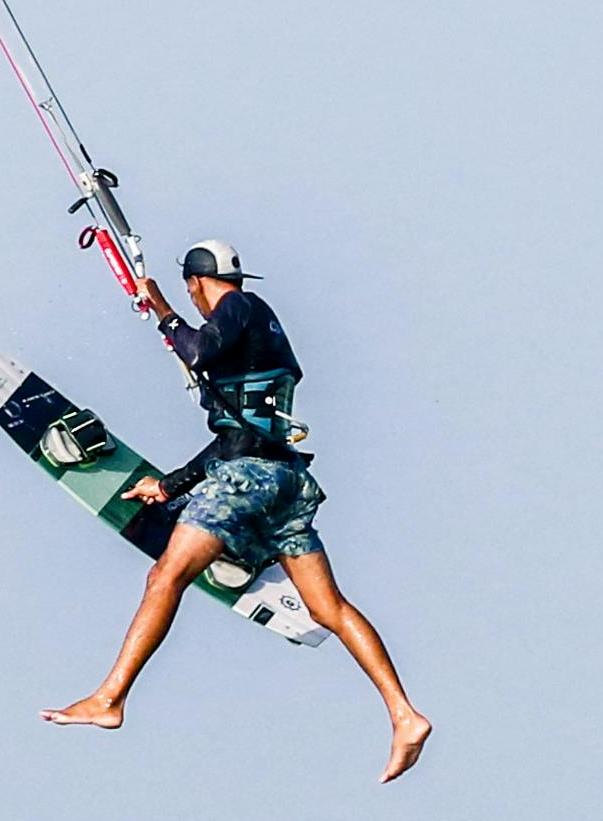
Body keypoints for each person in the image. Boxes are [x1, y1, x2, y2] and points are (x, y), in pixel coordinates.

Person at [44, 240, 433, 781]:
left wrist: (162, 313)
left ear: (198, 283)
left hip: (247, 480)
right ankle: (404, 714)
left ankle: (110, 698)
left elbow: (199, 351)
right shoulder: (264, 332)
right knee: (329, 609)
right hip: (285, 480)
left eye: (191, 294)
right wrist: (170, 486)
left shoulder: (237, 306)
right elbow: (238, 434)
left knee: (166, 576)